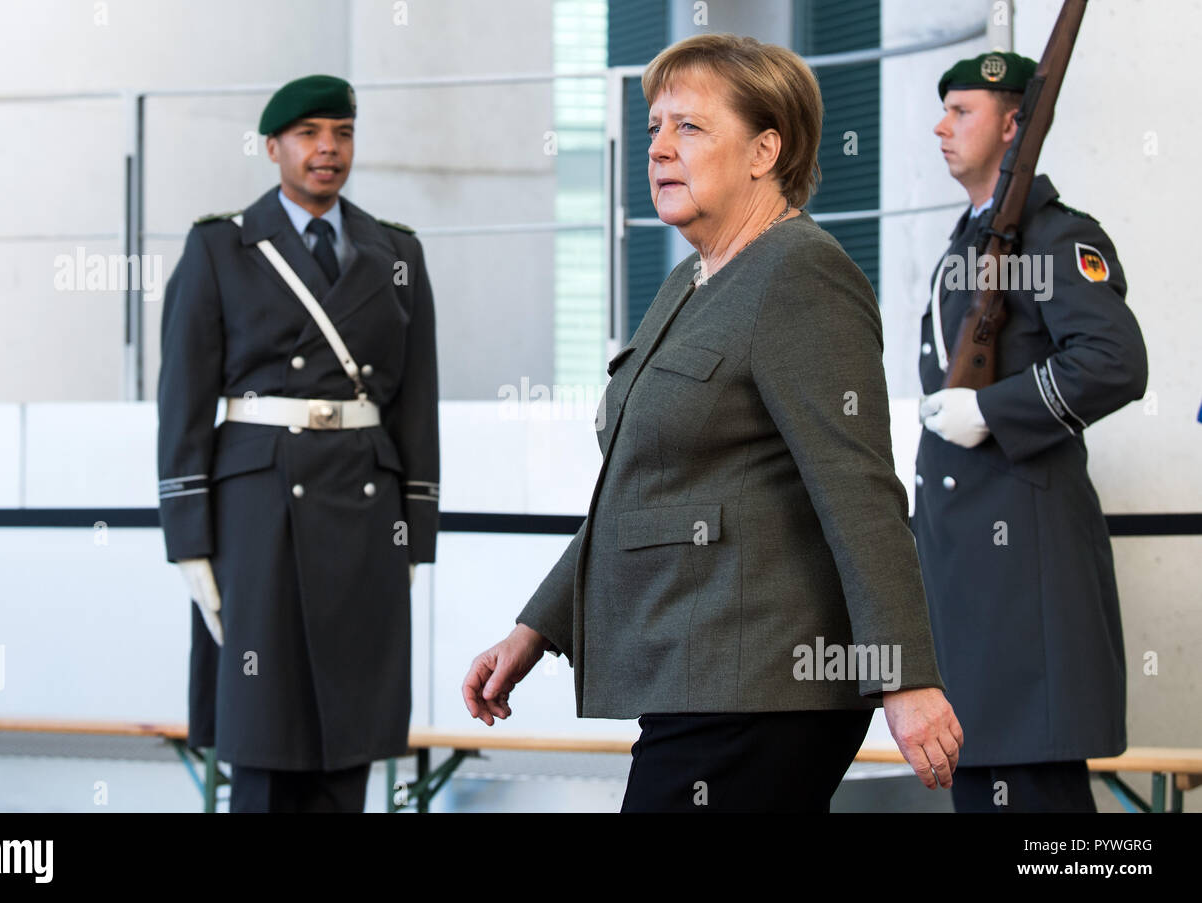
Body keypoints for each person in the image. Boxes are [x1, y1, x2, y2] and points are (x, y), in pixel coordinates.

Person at [462, 34, 962, 813]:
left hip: (763, 685)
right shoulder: (687, 284)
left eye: (689, 127)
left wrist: (905, 675)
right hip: (701, 679)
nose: (660, 146)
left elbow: (859, 490)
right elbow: (633, 489)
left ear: (767, 148)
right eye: (655, 126)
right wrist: (536, 629)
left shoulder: (800, 270)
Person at [156, 74, 440, 813]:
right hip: (257, 513)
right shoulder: (221, 246)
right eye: (310, 134)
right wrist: (189, 540)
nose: (328, 149)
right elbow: (184, 402)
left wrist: (417, 536)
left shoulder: (397, 254)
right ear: (272, 146)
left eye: (342, 133)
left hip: (365, 506)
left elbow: (415, 408)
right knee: (262, 737)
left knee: (349, 739)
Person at [915, 52, 1148, 812]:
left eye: (963, 111)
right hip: (971, 585)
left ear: (1017, 125)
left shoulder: (1053, 238)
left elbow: (1115, 360)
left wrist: (992, 410)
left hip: (1022, 590)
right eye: (943, 109)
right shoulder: (971, 244)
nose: (942, 126)